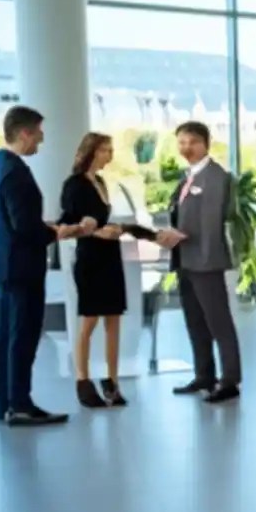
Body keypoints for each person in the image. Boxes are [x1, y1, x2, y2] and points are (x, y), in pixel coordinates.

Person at [0, 106, 95, 426]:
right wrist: (64, 231)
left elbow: (12, 220)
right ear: (24, 133)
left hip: (5, 265)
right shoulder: (15, 172)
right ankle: (19, 405)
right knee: (23, 334)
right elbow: (25, 228)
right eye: (39, 132)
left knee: (6, 334)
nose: (42, 139)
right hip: (22, 266)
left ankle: (6, 402)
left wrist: (46, 226)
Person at [58, 133, 160, 408]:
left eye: (111, 150)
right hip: (90, 257)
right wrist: (95, 233)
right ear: (90, 151)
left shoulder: (101, 182)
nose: (109, 155)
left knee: (114, 320)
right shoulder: (74, 185)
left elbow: (103, 220)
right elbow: (67, 223)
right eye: (105, 150)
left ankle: (112, 382)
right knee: (89, 321)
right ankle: (83, 380)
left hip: (110, 257)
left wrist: (115, 230)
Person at [160, 121, 242, 403]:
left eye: (192, 142)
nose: (186, 148)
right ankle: (204, 374)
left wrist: (192, 245)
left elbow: (210, 221)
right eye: (181, 142)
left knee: (218, 321)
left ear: (206, 144)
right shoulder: (188, 178)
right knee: (195, 321)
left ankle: (230, 379)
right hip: (186, 259)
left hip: (205, 261)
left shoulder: (214, 176)